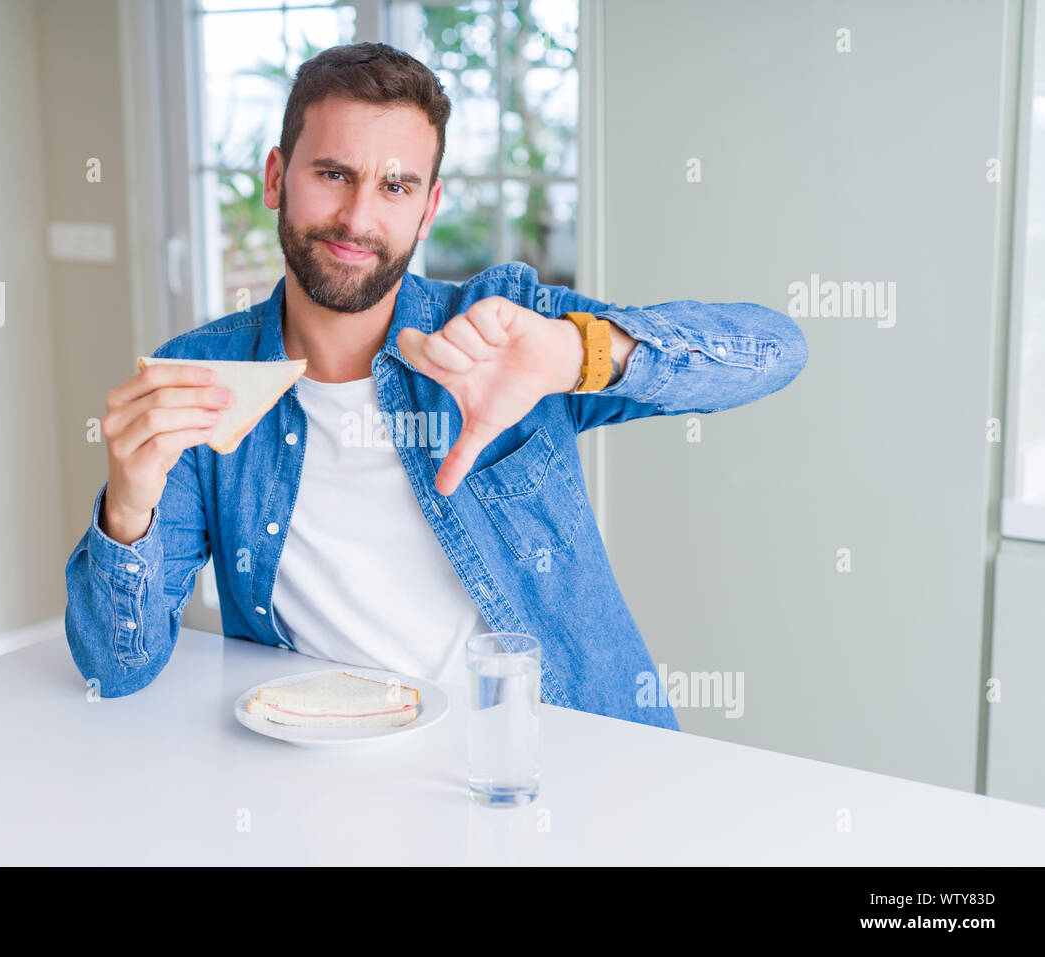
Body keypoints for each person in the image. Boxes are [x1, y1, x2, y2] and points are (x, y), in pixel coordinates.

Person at [64, 42, 808, 728]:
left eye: (395, 185)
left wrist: (574, 351)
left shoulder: (505, 335)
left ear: (429, 207)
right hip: (331, 780)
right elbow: (114, 670)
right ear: (274, 177)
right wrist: (127, 506)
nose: (359, 216)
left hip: (562, 759)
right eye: (333, 174)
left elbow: (777, 348)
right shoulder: (201, 383)